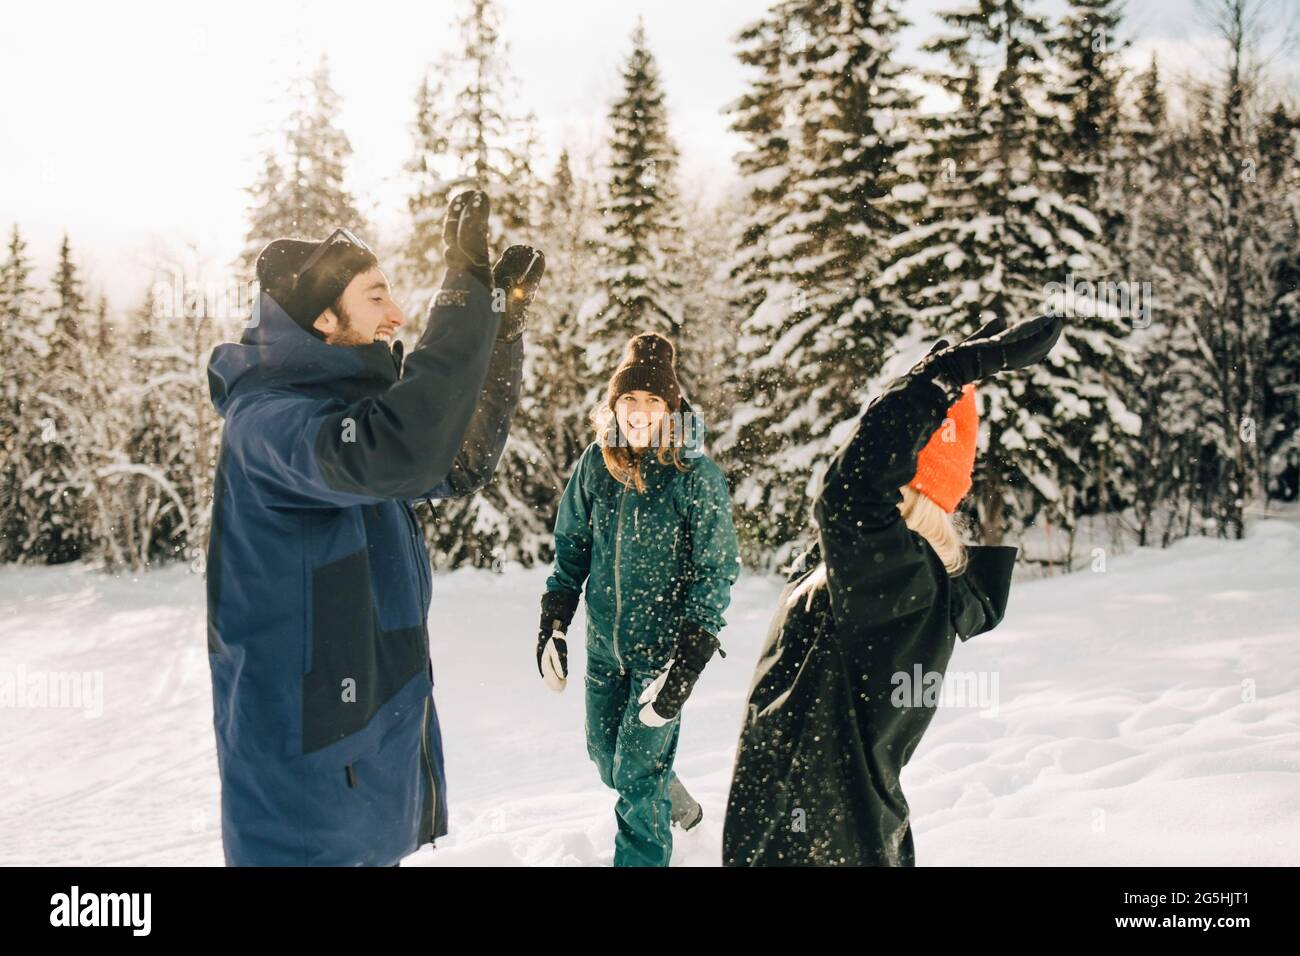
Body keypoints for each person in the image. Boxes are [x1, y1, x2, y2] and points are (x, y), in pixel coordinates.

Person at [205, 191, 545, 865]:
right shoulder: (271, 424)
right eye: (376, 298)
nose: (397, 316)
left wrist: (497, 333)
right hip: (306, 802)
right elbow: (399, 450)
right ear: (323, 318)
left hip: (365, 777)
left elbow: (457, 460)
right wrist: (465, 290)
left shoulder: (348, 414)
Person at [722, 313, 1063, 866]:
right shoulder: (877, 571)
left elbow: (850, 488)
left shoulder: (902, 577)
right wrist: (922, 390)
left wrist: (944, 378)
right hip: (819, 841)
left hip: (819, 849)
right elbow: (855, 480)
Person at [536, 332, 742, 866]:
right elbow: (572, 546)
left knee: (635, 776)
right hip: (605, 649)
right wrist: (554, 620)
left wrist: (689, 661)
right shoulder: (595, 465)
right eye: (630, 399)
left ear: (672, 408)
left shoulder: (694, 477)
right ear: (614, 403)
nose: (640, 411)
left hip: (663, 657)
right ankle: (682, 808)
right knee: (606, 760)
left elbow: (714, 572)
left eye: (654, 401)